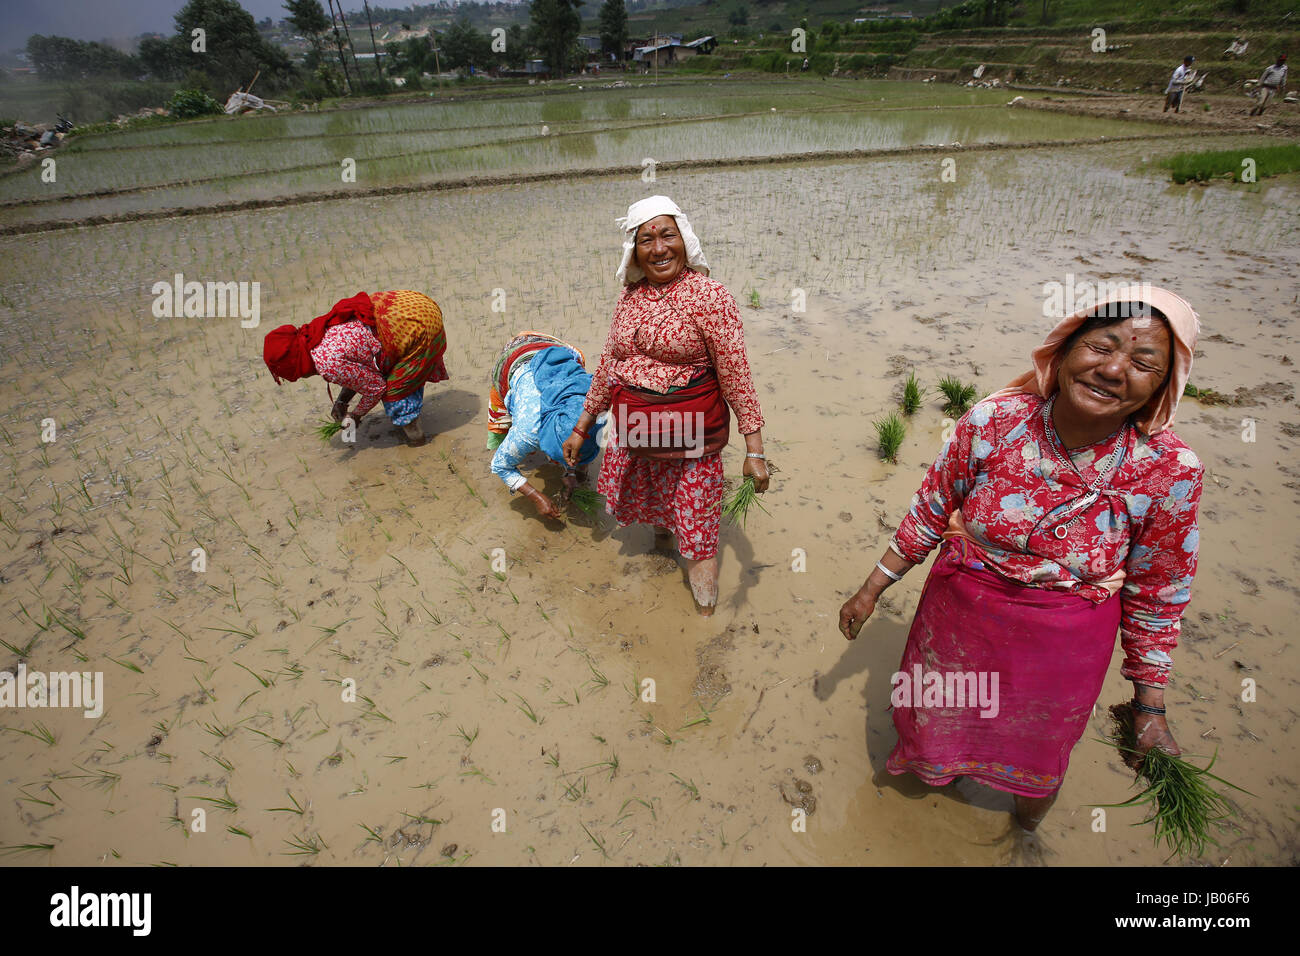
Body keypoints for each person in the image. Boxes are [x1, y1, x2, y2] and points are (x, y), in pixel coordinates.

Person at [838, 287, 1202, 832]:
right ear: (1065, 348)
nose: (1112, 370)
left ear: (1162, 387)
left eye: (1143, 363)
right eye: (1101, 347)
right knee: (934, 722)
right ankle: (913, 815)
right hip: (958, 622)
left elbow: (1158, 592)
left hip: (1061, 653)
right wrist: (872, 588)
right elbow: (934, 505)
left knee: (1037, 758)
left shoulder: (1169, 470)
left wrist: (1149, 707)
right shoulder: (996, 420)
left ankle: (1025, 835)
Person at [562, 196, 770, 615]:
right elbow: (609, 363)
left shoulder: (710, 297)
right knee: (657, 506)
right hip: (636, 433)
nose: (658, 249)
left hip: (692, 439)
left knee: (696, 533)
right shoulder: (630, 297)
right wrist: (582, 425)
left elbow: (736, 375)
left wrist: (756, 450)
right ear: (634, 251)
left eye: (667, 235)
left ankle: (705, 615)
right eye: (646, 239)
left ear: (684, 240)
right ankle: (662, 538)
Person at [262, 290, 448, 446]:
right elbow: (358, 369)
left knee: (394, 395)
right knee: (387, 375)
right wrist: (342, 401)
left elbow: (376, 387)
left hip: (417, 324)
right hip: (406, 303)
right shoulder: (313, 336)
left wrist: (355, 415)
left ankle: (418, 442)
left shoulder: (327, 364)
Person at [487, 332, 605, 519]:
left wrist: (571, 473)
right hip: (517, 359)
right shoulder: (529, 430)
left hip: (559, 354)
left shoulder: (596, 409)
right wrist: (535, 497)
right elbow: (500, 466)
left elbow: (580, 435)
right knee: (502, 424)